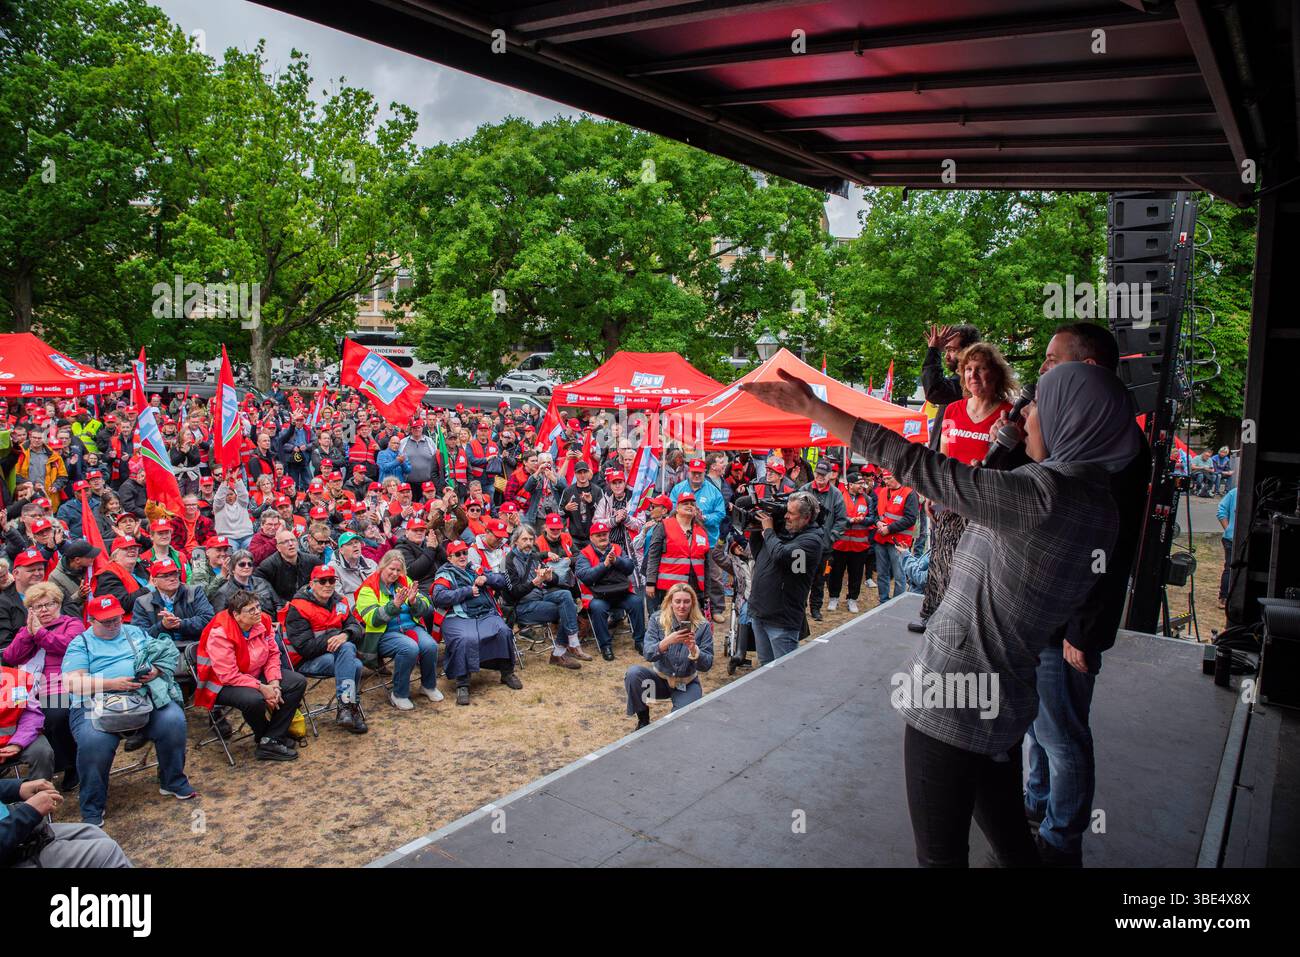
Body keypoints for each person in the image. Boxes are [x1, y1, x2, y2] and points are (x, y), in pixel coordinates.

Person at [741, 359, 1129, 868]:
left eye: (1038, 405)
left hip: (952, 695)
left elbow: (920, 466)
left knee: (941, 857)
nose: (1025, 413)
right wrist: (1005, 448)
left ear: (1069, 419)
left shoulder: (1042, 495)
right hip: (1005, 694)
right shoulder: (1100, 505)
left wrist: (815, 408)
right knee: (1013, 843)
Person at [909, 341, 1015, 633]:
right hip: (948, 500)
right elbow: (941, 456)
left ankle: (973, 624)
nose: (973, 376)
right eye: (968, 369)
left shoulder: (1009, 414)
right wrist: (931, 492)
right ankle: (933, 613)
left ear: (996, 374)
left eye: (981, 369)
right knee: (941, 557)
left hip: (984, 506)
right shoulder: (953, 409)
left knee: (976, 568)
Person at [63, 595, 197, 824]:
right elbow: (73, 683)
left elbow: (159, 655)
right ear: (91, 620)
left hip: (140, 695)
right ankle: (92, 804)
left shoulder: (133, 632)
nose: (114, 625)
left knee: (173, 720)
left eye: (116, 619)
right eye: (106, 622)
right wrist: (113, 684)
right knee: (94, 743)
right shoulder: (81, 643)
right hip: (95, 702)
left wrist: (155, 670)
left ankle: (172, 779)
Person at [194, 589, 307, 761]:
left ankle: (271, 738)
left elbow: (272, 655)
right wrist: (262, 688)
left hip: (255, 673)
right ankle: (267, 737)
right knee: (253, 699)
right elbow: (228, 675)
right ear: (237, 615)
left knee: (297, 682)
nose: (257, 612)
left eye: (258, 607)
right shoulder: (221, 633)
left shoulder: (264, 622)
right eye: (251, 610)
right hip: (223, 684)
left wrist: (274, 683)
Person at [3, 581, 82, 788]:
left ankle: (70, 765)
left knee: (55, 714)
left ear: (59, 604)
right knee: (14, 716)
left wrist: (40, 634)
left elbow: (66, 646)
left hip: (60, 684)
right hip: (27, 689)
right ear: (31, 610)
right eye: (38, 606)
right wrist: (28, 634)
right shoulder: (27, 629)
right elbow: (10, 657)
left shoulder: (71, 624)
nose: (44, 610)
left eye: (49, 604)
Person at [430, 540, 521, 706]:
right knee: (466, 638)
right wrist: (466, 591)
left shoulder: (475, 567)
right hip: (457, 616)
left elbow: (502, 581)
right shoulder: (444, 574)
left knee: (504, 631)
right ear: (450, 558)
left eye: (464, 552)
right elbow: (439, 597)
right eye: (458, 554)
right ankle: (462, 683)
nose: (463, 556)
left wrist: (486, 578)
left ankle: (506, 672)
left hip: (484, 614)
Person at [283, 565, 367, 733]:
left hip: (333, 655)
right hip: (304, 661)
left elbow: (357, 628)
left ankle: (346, 708)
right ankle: (349, 707)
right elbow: (305, 648)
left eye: (332, 580)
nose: (328, 585)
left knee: (353, 659)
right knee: (350, 654)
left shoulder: (340, 601)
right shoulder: (298, 608)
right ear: (312, 584)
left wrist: (345, 634)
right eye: (322, 581)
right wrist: (335, 635)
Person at [354, 550, 442, 711]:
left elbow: (426, 607)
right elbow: (372, 619)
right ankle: (399, 693)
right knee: (409, 648)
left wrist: (414, 601)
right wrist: (394, 605)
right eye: (391, 569)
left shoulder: (404, 581)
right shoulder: (368, 588)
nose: (395, 574)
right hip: (383, 634)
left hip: (410, 627)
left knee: (430, 645)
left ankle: (428, 686)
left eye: (398, 570)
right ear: (382, 566)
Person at [623, 583, 713, 731]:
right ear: (670, 601)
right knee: (633, 674)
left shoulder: (703, 626)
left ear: (693, 603)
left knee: (682, 724)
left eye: (686, 601)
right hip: (658, 683)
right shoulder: (657, 619)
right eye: (677, 601)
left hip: (686, 684)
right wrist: (666, 642)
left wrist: (694, 650)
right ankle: (643, 719)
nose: (682, 606)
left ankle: (680, 711)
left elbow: (707, 664)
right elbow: (648, 653)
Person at [747, 490, 823, 665]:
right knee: (765, 669)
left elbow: (781, 555)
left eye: (791, 513)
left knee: (784, 674)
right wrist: (757, 528)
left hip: (782, 620)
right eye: (786, 511)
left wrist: (768, 531)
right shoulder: (782, 531)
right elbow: (758, 552)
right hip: (760, 612)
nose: (786, 516)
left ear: (806, 517)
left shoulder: (812, 541)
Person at [1, 775, 131, 867]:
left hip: (15, 827)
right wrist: (28, 812)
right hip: (11, 848)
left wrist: (17, 787)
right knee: (107, 852)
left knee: (91, 832)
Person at [504, 524, 585, 669]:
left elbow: (553, 579)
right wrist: (535, 582)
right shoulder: (509, 561)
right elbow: (513, 592)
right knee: (569, 608)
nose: (528, 543)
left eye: (531, 539)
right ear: (515, 541)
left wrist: (549, 578)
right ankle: (561, 652)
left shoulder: (534, 556)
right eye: (524, 539)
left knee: (566, 595)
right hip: (522, 606)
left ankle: (571, 641)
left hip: (541, 598)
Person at [575, 521, 644, 661]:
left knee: (636, 602)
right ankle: (605, 646)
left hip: (621, 593)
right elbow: (586, 577)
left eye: (604, 534)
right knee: (598, 608)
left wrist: (616, 560)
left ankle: (640, 641)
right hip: (599, 596)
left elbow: (630, 567)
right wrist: (605, 565)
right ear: (591, 538)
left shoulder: (617, 549)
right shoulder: (584, 554)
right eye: (598, 535)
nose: (602, 537)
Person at [668, 458, 727, 621]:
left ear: (704, 473)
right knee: (684, 574)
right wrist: (683, 513)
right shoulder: (678, 489)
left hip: (708, 541)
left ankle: (717, 608)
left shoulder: (713, 491)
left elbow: (721, 514)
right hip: (682, 541)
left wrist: (704, 517)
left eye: (699, 473)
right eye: (694, 473)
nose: (696, 476)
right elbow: (671, 508)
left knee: (713, 575)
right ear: (689, 472)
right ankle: (680, 608)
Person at [644, 492, 711, 615]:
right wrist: (650, 582)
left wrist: (707, 591)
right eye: (685, 503)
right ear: (677, 508)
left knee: (691, 625)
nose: (689, 506)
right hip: (667, 589)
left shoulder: (701, 531)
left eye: (692, 504)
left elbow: (706, 564)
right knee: (667, 623)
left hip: (694, 588)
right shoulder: (663, 526)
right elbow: (653, 556)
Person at [799, 459, 848, 621]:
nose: (820, 477)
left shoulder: (836, 495)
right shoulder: (804, 491)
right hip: (803, 546)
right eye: (818, 473)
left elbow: (842, 520)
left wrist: (831, 538)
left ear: (830, 476)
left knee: (820, 579)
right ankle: (799, 607)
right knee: (799, 576)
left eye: (823, 474)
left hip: (824, 548)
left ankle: (815, 608)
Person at [132, 557, 215, 646]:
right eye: (165, 576)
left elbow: (208, 619)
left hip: (194, 646)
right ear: (154, 581)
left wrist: (180, 624)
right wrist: (162, 626)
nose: (172, 578)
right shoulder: (142, 602)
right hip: (160, 651)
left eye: (175, 574)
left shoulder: (194, 592)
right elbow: (139, 636)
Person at [827, 467, 876, 614]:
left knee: (856, 575)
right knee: (836, 573)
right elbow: (834, 517)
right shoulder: (840, 497)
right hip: (840, 544)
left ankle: (852, 599)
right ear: (850, 485)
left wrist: (863, 520)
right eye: (859, 484)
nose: (862, 486)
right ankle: (833, 597)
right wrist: (849, 520)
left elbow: (872, 518)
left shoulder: (867, 499)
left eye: (863, 484)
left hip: (859, 546)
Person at [872, 471, 918, 606]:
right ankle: (883, 602)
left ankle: (898, 604)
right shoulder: (882, 492)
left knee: (899, 575)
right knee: (882, 574)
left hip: (899, 541)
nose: (886, 481)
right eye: (884, 479)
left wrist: (889, 529)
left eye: (888, 478)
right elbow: (876, 513)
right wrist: (877, 523)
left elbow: (910, 519)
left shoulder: (909, 493)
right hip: (881, 538)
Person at [255, 529, 322, 609]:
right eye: (285, 542)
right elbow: (259, 587)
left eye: (293, 540)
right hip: (282, 608)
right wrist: (280, 603)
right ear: (278, 547)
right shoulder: (268, 565)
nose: (291, 544)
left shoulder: (312, 561)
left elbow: (325, 580)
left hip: (309, 604)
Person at [0, 548, 49, 650]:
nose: (37, 573)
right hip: (22, 660)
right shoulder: (3, 602)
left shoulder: (54, 592)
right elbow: (4, 647)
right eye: (31, 570)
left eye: (40, 569)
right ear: (16, 573)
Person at [212, 548, 279, 615]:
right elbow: (221, 618)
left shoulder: (262, 582)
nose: (247, 567)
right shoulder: (223, 592)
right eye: (242, 564)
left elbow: (279, 604)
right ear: (232, 569)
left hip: (271, 622)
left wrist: (279, 621)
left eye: (249, 564)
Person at [47, 540, 99, 619]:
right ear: (77, 560)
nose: (94, 558)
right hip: (78, 620)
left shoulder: (91, 567)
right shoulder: (55, 577)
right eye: (90, 556)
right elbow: (60, 607)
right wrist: (79, 596)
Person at [330, 531, 376, 604]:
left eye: (356, 542)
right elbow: (339, 598)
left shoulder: (371, 563)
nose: (355, 545)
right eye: (349, 544)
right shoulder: (333, 568)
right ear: (341, 550)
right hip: (354, 610)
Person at [1218, 486, 1238, 611]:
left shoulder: (1234, 492)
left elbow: (1221, 511)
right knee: (1230, 567)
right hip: (1231, 538)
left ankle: (1228, 597)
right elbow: (1221, 511)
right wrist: (1229, 529)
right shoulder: (1234, 493)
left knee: (1230, 567)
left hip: (1231, 536)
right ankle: (1223, 597)